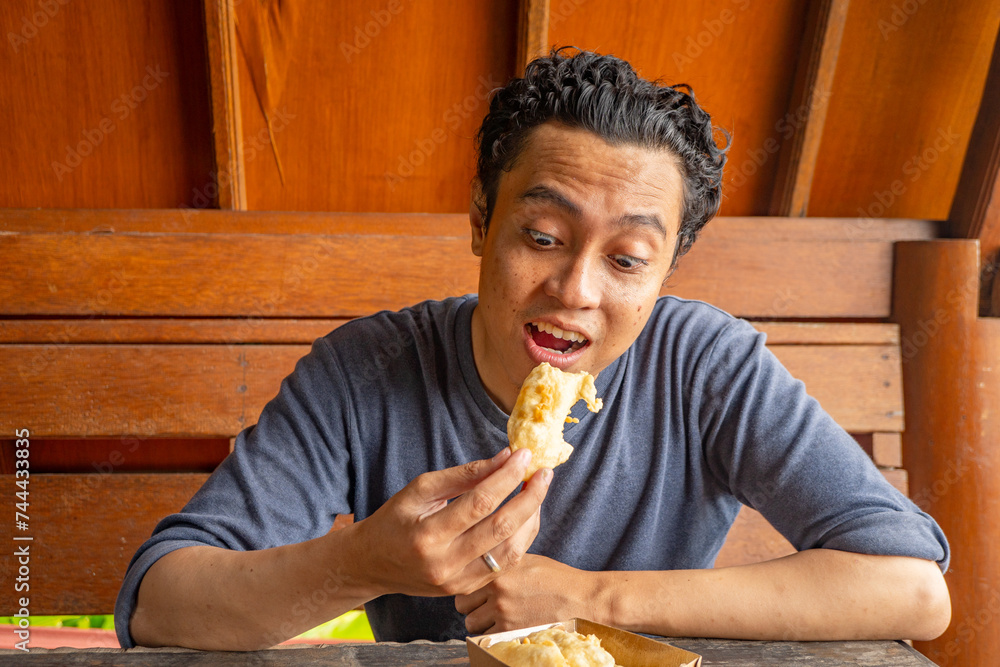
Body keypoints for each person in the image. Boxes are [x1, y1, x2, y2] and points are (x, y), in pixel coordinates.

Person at [117, 49, 951, 650]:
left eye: (628, 259)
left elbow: (912, 587)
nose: (576, 289)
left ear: (666, 272)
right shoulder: (368, 368)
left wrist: (592, 598)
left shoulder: (705, 366)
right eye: (543, 236)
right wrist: (360, 563)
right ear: (482, 219)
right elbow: (159, 601)